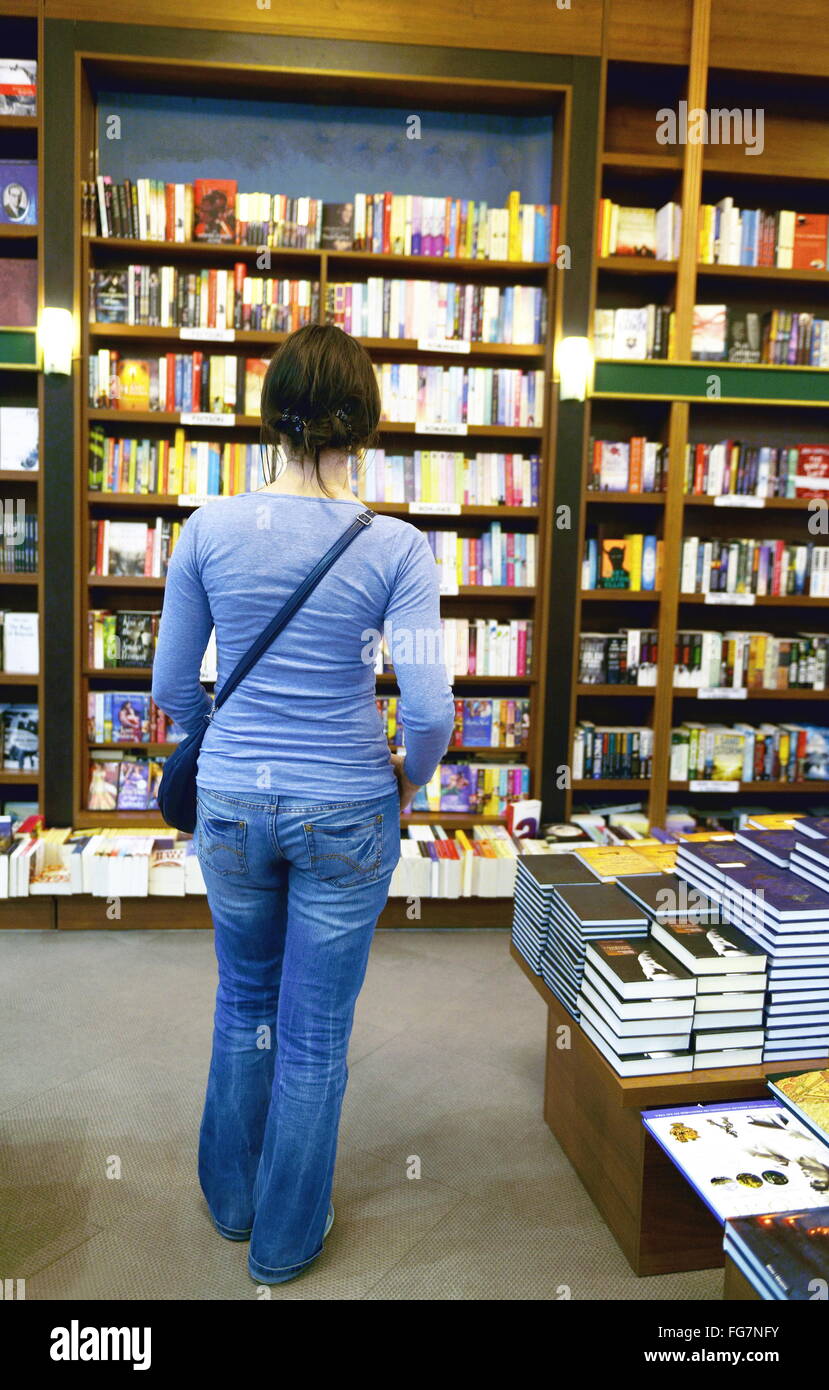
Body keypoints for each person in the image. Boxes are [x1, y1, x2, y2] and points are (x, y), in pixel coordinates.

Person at [152, 324, 455, 1285]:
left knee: (242, 998)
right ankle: (282, 1247)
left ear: (270, 412)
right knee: (315, 1031)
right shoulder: (399, 547)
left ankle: (230, 1203)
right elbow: (433, 708)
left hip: (234, 801)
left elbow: (167, 689)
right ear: (360, 424)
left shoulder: (207, 526)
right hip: (349, 806)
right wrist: (407, 775)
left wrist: (232, 738)